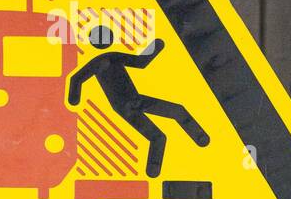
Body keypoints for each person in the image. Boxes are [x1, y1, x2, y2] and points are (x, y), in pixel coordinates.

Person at [67, 25, 209, 178]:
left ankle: (200, 138)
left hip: (135, 100)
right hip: (124, 106)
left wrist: (156, 47)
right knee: (159, 135)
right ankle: (153, 170)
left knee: (174, 115)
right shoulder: (98, 62)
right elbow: (76, 80)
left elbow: (140, 62)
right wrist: (74, 98)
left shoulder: (112, 57)